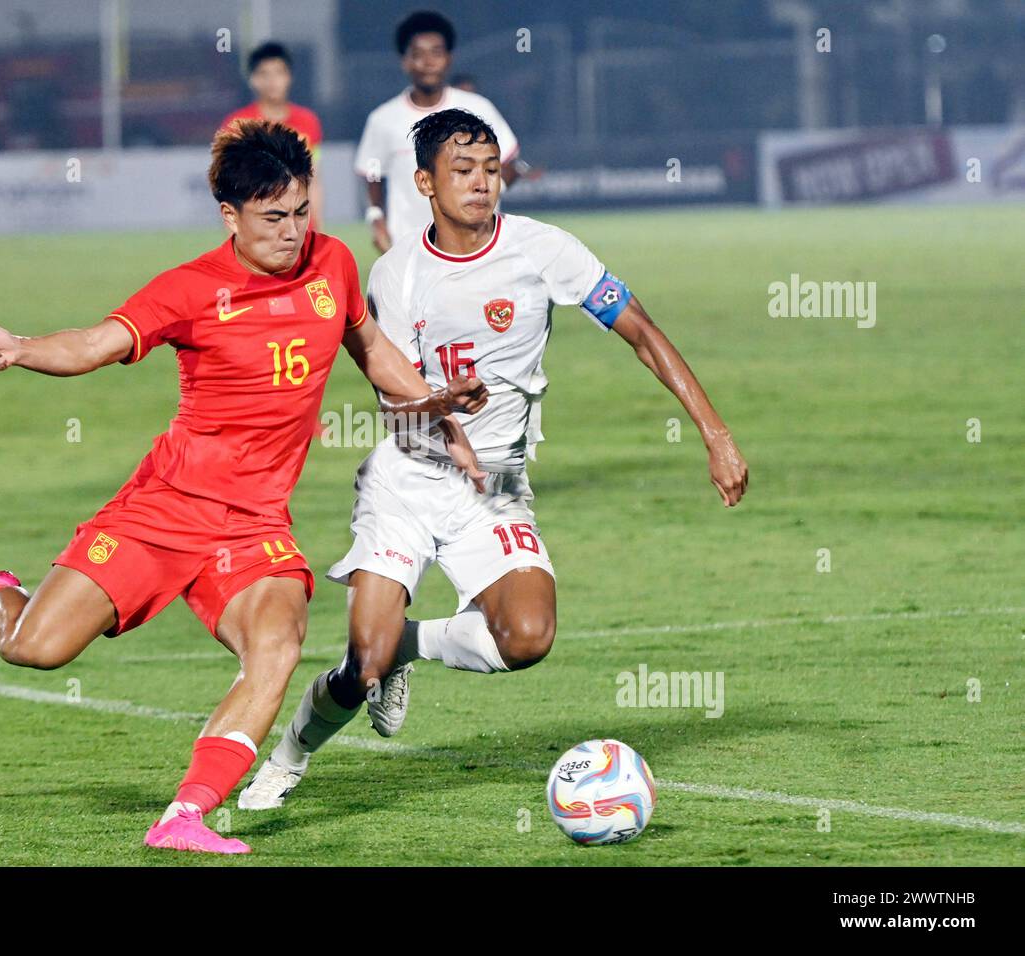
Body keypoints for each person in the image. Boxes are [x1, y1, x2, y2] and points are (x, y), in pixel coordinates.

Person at [0, 120, 487, 854]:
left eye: (302, 211)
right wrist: (19, 349)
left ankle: (186, 815)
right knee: (35, 650)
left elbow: (373, 354)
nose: (292, 231)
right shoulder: (192, 290)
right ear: (230, 216)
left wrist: (436, 404)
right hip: (163, 510)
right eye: (273, 218)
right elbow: (92, 344)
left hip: (255, 525)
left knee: (277, 647)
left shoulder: (331, 265)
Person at [239, 109, 749, 809]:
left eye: (489, 170)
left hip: (498, 485)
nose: (481, 184)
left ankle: (409, 647)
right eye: (461, 171)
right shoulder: (396, 274)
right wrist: (443, 402)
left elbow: (641, 330)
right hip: (410, 482)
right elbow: (393, 405)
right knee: (361, 666)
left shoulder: (546, 249)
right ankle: (291, 753)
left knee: (528, 636)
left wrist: (714, 433)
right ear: (425, 182)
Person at [354, 10, 529, 251]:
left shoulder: (478, 108)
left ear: (448, 58)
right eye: (418, 54)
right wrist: (376, 218)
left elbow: (511, 162)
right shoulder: (383, 119)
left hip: (476, 244)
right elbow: (373, 170)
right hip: (410, 247)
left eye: (436, 53)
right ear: (405, 61)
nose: (428, 62)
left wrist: (486, 194)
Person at [221, 41, 325, 227]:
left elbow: (313, 179)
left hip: (299, 229)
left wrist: (317, 228)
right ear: (252, 79)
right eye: (264, 74)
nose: (272, 81)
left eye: (279, 72)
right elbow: (230, 189)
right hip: (257, 231)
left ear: (289, 77)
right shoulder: (237, 124)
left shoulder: (308, 121)